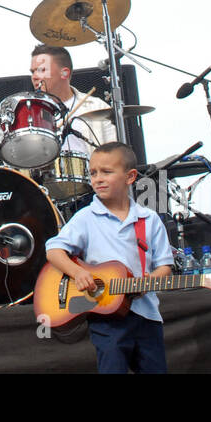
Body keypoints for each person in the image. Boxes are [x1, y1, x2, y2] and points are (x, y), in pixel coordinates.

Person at [44, 144, 173, 373]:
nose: (98, 179)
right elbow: (53, 250)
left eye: (106, 172)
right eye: (93, 173)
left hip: (148, 316)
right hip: (106, 316)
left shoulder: (149, 219)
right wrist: (78, 273)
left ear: (130, 176)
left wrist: (149, 280)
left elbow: (165, 268)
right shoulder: (86, 217)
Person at [29, 44, 116, 157]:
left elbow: (114, 155)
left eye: (41, 70)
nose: (34, 77)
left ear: (65, 73)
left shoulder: (97, 107)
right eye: (32, 72)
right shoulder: (29, 114)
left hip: (91, 173)